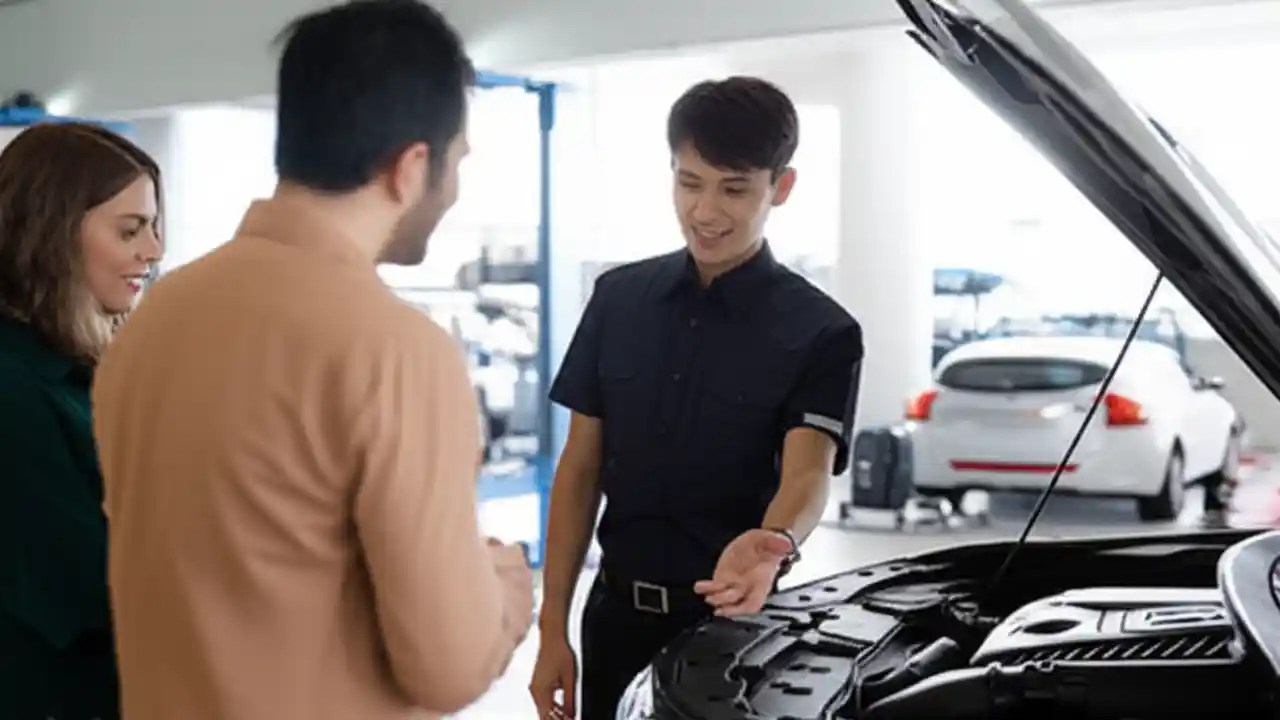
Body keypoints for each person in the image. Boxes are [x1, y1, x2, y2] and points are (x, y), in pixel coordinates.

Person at [90, 2, 533, 718]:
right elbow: (447, 667)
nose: (452, 190)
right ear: (413, 166)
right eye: (456, 163)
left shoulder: (150, 325)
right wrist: (509, 584)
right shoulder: (393, 351)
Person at [530, 76, 864, 719]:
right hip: (613, 622)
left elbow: (808, 475)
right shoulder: (616, 299)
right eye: (690, 183)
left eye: (734, 188)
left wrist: (776, 539)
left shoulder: (822, 332)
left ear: (780, 187)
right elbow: (579, 470)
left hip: (734, 637)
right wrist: (552, 630)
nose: (706, 212)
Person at [0, 122, 163, 720]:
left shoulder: (81, 372)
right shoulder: (14, 390)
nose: (153, 250)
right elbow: (91, 591)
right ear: (52, 234)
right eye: (129, 230)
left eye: (152, 227)